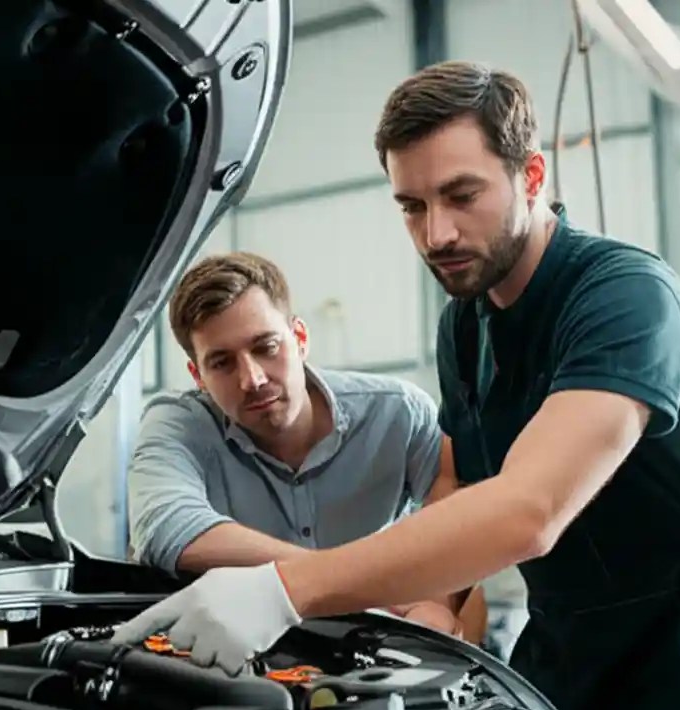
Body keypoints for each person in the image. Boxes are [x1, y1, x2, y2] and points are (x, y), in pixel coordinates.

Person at [113, 61, 680, 710]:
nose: (436, 234)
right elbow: (462, 486)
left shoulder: (626, 299)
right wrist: (438, 598)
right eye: (412, 206)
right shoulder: (464, 324)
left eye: (462, 196)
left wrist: (286, 590)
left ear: (532, 177)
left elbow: (530, 508)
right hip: (562, 635)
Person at [126, 250, 487, 642]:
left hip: (379, 654)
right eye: (222, 363)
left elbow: (457, 509)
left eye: (266, 347)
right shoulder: (177, 424)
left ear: (299, 338)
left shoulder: (397, 412)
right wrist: (346, 583)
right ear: (197, 375)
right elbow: (165, 527)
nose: (252, 379)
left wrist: (437, 604)